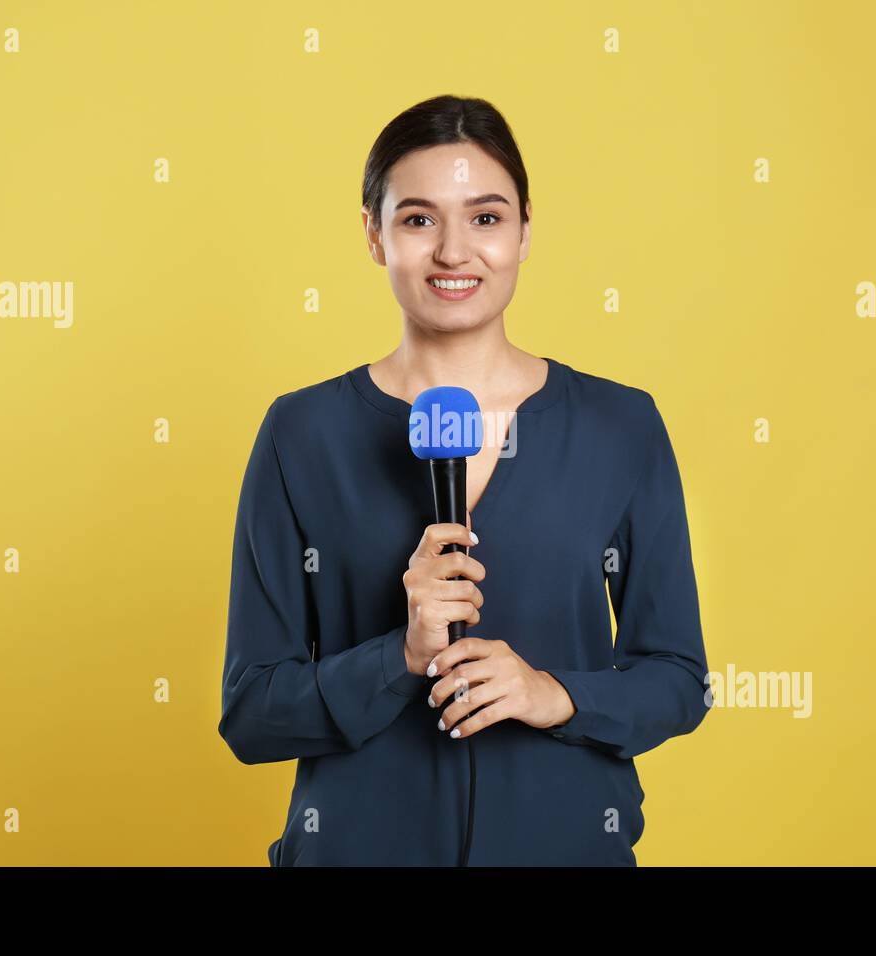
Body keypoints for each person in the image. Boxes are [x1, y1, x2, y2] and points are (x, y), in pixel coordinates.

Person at [217, 94, 711, 866]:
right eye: (418, 219)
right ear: (374, 236)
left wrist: (554, 694)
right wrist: (399, 658)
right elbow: (251, 713)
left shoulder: (622, 427)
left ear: (524, 232)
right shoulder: (301, 433)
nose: (454, 252)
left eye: (485, 218)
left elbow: (679, 680)